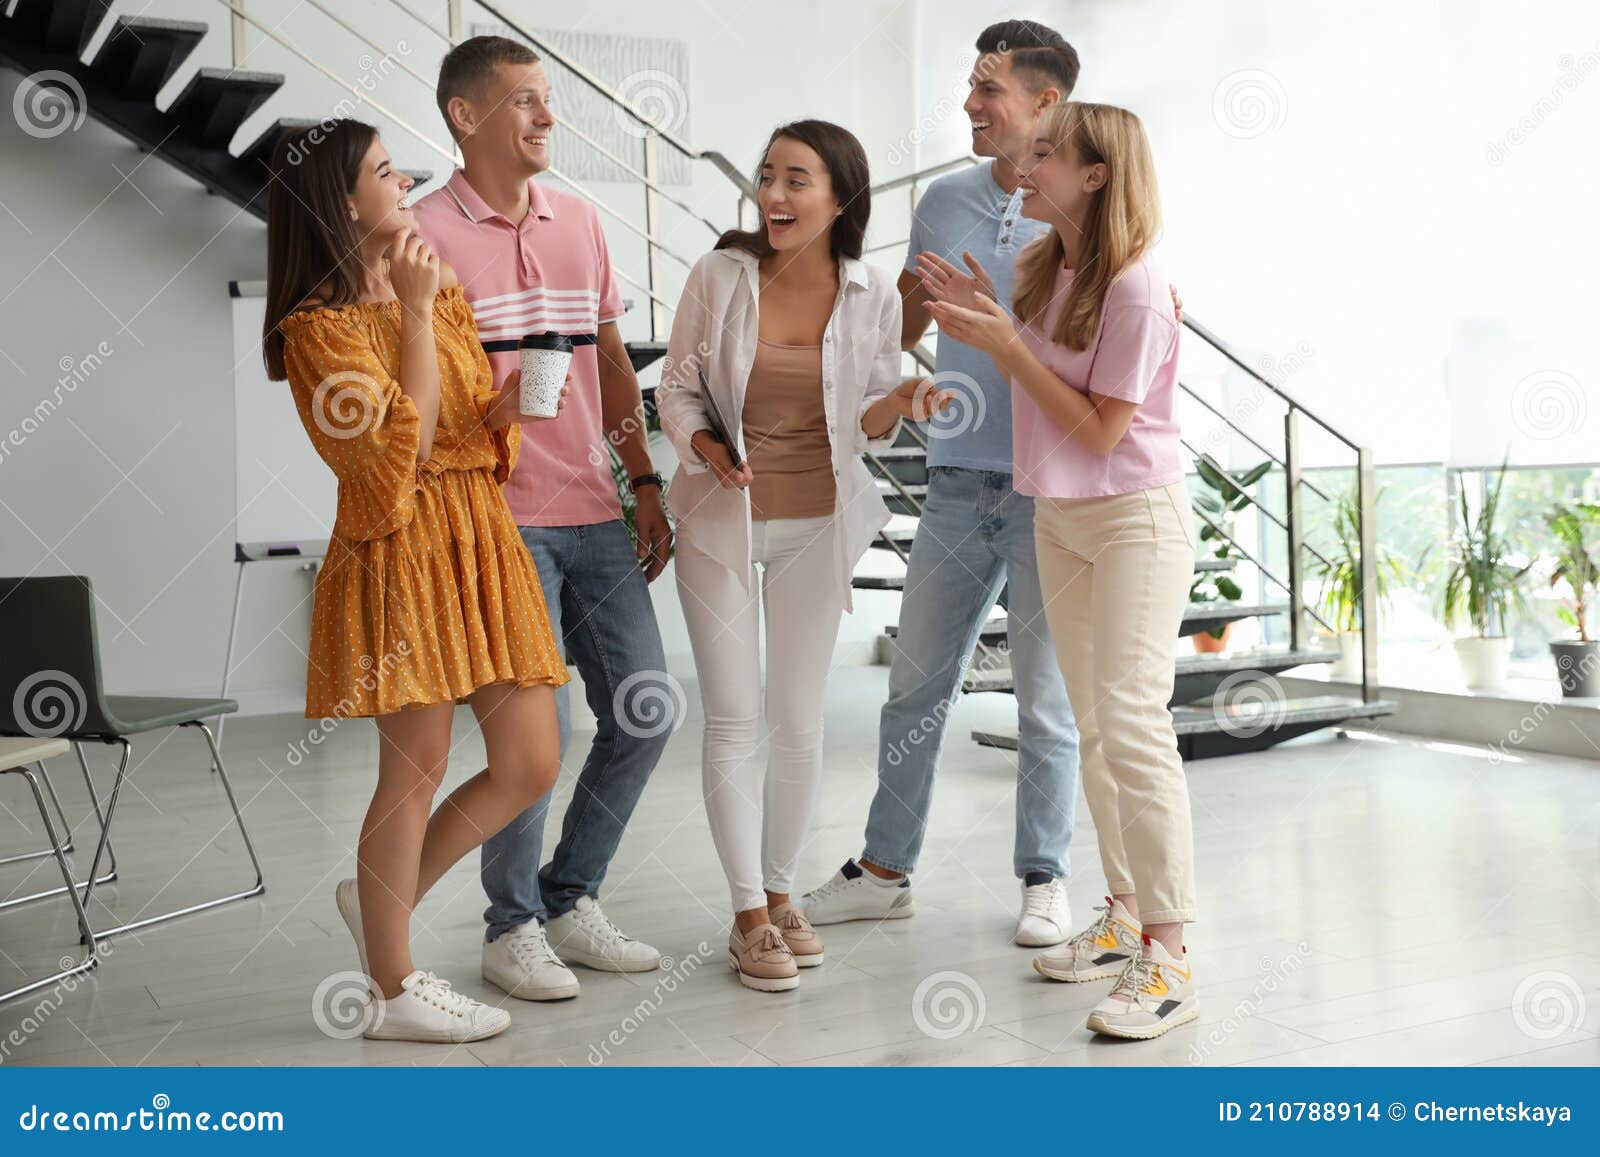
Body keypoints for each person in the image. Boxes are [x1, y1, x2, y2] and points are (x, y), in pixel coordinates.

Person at [263, 120, 570, 1043]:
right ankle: (392, 986)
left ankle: (376, 898)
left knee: (530, 761)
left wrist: (506, 406)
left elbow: (461, 421)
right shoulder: (315, 332)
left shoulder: (433, 289)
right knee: (417, 769)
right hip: (399, 544)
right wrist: (411, 313)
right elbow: (395, 450)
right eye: (385, 172)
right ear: (337, 200)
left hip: (478, 532)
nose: (406, 183)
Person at [802, 20, 1083, 947]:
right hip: (959, 479)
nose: (967, 103)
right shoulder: (947, 197)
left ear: (1045, 103)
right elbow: (903, 316)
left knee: (1045, 700)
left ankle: (1045, 878)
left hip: (1052, 485)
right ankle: (885, 868)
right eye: (967, 86)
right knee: (915, 688)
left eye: (987, 90)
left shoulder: (1084, 201)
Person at [922, 101, 1199, 1040]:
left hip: (1133, 520)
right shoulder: (1054, 268)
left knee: (1130, 720)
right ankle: (1124, 912)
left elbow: (1102, 426)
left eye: (1046, 153)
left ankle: (1170, 952)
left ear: (1093, 175)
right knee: (1092, 727)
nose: (1025, 165)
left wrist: (1006, 344)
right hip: (1062, 515)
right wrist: (998, 325)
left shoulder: (1135, 283)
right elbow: (1048, 387)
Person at [657, 121, 954, 991]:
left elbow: (864, 412)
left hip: (819, 524)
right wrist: (703, 443)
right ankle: (748, 912)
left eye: (796, 180)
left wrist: (900, 394)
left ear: (840, 197)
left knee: (798, 721)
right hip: (721, 519)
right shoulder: (721, 276)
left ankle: (783, 892)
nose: (774, 196)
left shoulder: (873, 295)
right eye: (766, 177)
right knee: (734, 717)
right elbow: (676, 384)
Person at [412, 36, 676, 1002]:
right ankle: (510, 925)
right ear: (465, 115)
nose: (547, 117)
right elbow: (410, 402)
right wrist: (490, 397)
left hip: (596, 509)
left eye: (549, 100)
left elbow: (609, 358)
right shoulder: (420, 234)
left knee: (646, 710)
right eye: (525, 100)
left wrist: (641, 477)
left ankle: (571, 897)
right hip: (492, 519)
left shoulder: (580, 220)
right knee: (536, 744)